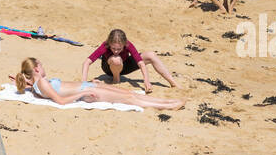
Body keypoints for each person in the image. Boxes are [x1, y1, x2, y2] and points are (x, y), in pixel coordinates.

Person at [13, 58, 184, 109]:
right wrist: (82, 93)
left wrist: (25, 83)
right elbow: (60, 101)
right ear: (36, 69)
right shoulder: (41, 82)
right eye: (41, 65)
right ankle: (169, 105)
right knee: (130, 99)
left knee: (128, 93)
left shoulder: (36, 86)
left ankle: (167, 102)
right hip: (87, 92)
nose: (44, 68)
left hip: (88, 86)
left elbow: (36, 91)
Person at [81, 29, 180, 92]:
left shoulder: (128, 44)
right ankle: (116, 80)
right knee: (116, 58)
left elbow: (141, 63)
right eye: (113, 48)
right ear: (109, 44)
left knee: (151, 55)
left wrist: (146, 81)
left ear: (124, 44)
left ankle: (173, 83)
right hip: (109, 67)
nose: (116, 51)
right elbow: (87, 62)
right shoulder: (105, 45)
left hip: (124, 65)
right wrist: (84, 82)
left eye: (119, 49)